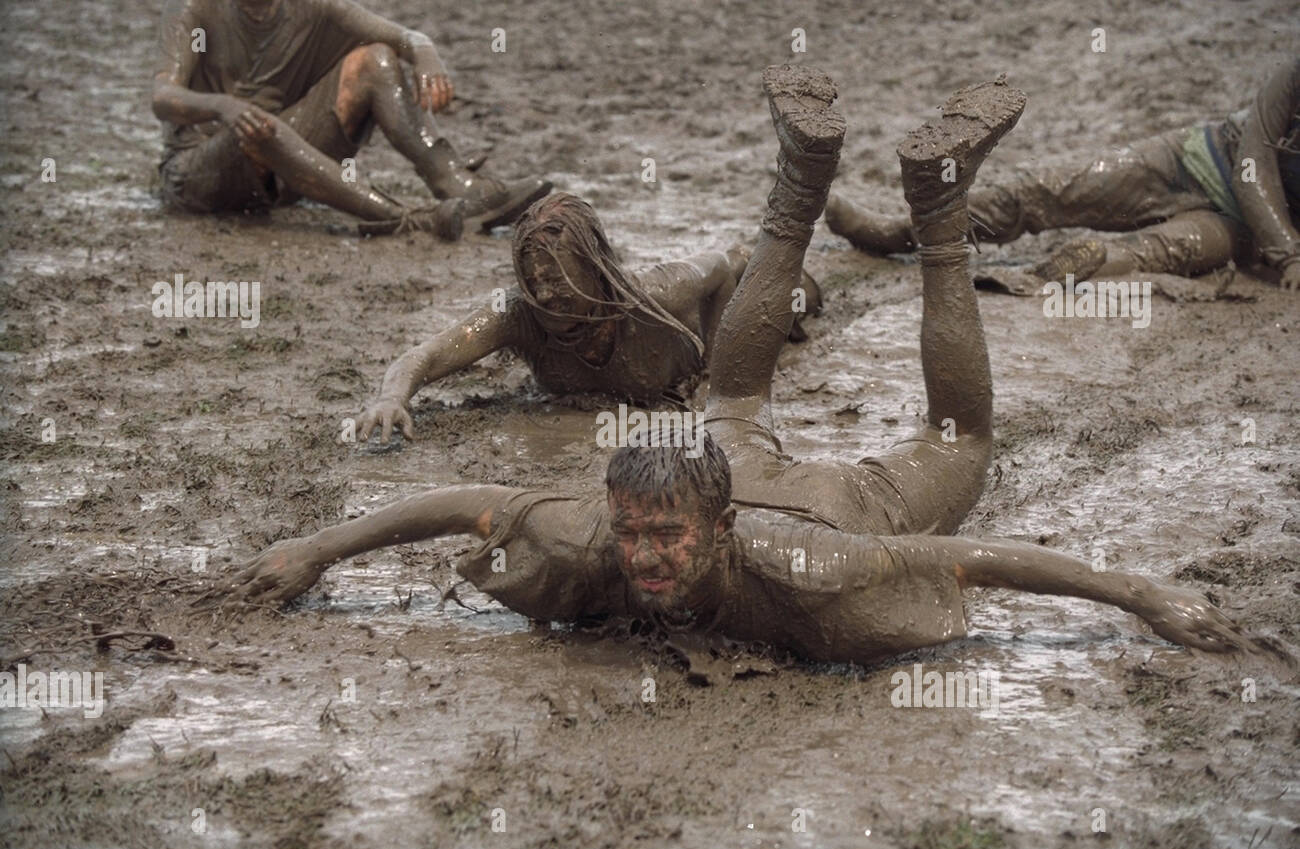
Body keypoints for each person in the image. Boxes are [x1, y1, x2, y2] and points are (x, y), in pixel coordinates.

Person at [212, 66, 1258, 664]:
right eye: (637, 540)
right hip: (715, 451)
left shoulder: (815, 565)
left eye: (664, 542)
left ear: (714, 533)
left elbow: (978, 558)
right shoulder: (599, 530)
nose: (646, 561)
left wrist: (1138, 592)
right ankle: (803, 179)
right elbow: (454, 503)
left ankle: (937, 211)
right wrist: (314, 549)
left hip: (835, 503)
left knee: (959, 444)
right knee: (732, 394)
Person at [356, 192, 821, 444]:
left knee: (796, 298)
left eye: (560, 284)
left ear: (598, 271)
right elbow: (427, 353)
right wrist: (390, 397)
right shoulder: (518, 314)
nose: (546, 296)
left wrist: (717, 378)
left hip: (735, 291)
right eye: (534, 284)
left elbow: (719, 267)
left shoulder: (653, 293)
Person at [825, 57, 1300, 291]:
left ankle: (1041, 277)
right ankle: (897, 233)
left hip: (1243, 229)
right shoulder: (1292, 75)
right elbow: (1252, 165)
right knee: (1048, 190)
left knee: (1157, 254)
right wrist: (1289, 257)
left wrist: (1280, 251)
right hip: (1197, 156)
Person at [151, 0, 552, 239]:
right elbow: (163, 97)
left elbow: (402, 38)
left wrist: (425, 52)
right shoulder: (194, 7)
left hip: (282, 169)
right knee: (256, 125)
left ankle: (458, 184)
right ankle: (403, 221)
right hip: (199, 173)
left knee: (374, 60)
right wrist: (224, 107)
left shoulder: (311, 6)